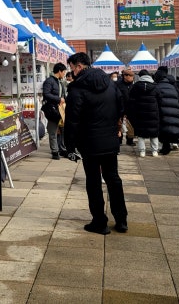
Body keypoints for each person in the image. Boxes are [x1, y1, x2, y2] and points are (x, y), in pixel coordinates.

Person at [64, 52, 127, 235]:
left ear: (79, 66)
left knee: (93, 181)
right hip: (109, 140)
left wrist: (69, 146)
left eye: (72, 67)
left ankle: (100, 222)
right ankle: (121, 219)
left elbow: (72, 120)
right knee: (113, 179)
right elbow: (121, 107)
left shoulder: (77, 89)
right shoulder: (110, 84)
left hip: (89, 143)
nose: (72, 71)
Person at [126, 70, 161, 158]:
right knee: (154, 133)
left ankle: (142, 152)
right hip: (153, 114)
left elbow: (131, 101)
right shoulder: (155, 86)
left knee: (141, 134)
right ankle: (154, 151)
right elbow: (160, 100)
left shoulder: (135, 86)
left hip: (140, 114)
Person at [153, 67, 179, 155]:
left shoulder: (157, 87)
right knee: (169, 128)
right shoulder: (172, 86)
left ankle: (165, 147)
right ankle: (167, 146)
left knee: (163, 129)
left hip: (162, 110)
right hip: (173, 110)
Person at [41, 62, 67, 160]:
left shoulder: (60, 82)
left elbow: (63, 95)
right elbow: (46, 94)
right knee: (53, 131)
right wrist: (58, 99)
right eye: (64, 71)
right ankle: (55, 151)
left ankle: (62, 149)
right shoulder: (49, 81)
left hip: (61, 109)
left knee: (62, 130)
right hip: (52, 110)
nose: (64, 73)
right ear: (59, 71)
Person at [116, 69, 136, 146]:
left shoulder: (133, 85)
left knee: (131, 125)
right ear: (125, 76)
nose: (132, 78)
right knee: (119, 124)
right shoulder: (118, 84)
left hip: (131, 108)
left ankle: (130, 140)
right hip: (120, 107)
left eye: (132, 76)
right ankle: (119, 140)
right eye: (131, 76)